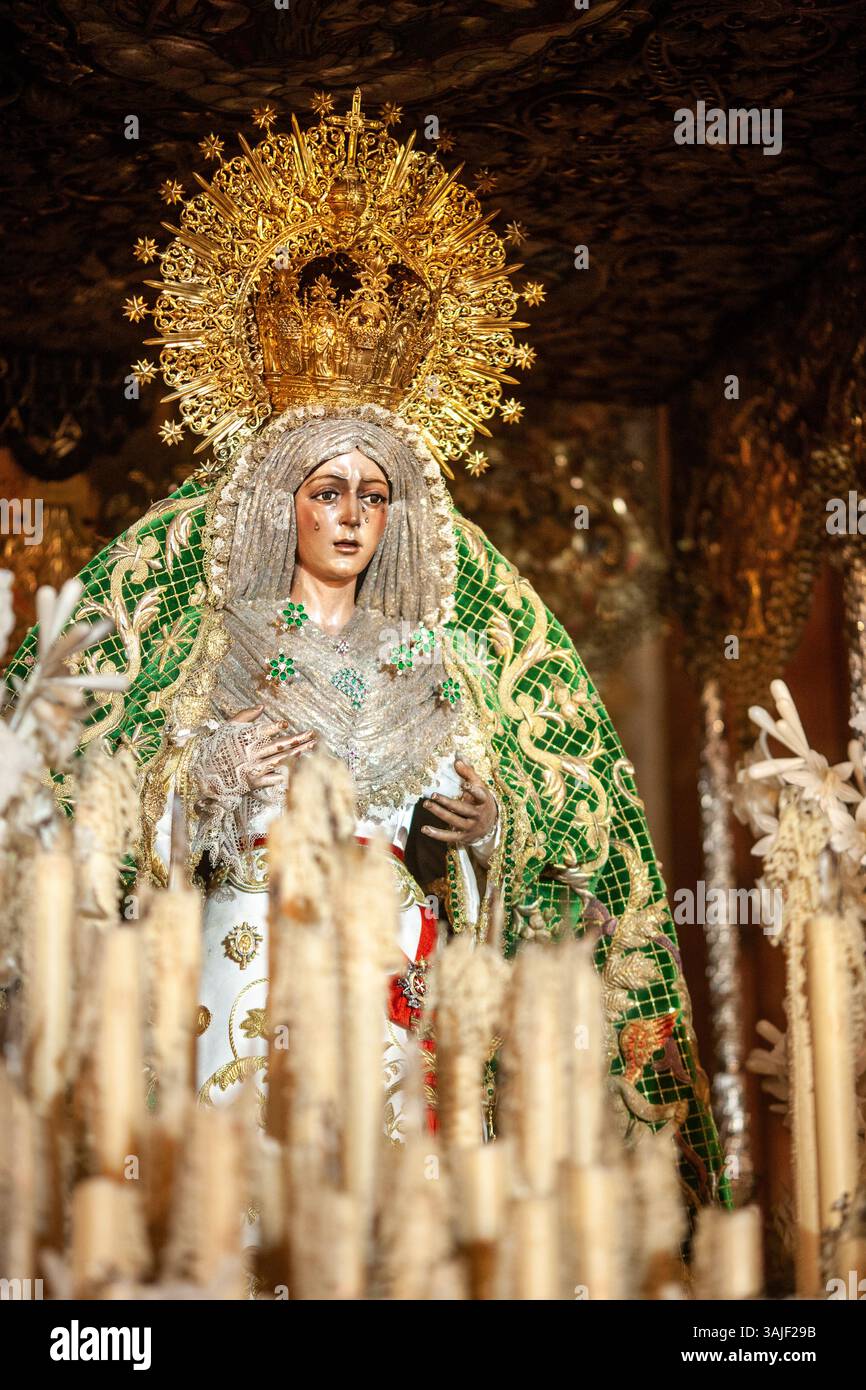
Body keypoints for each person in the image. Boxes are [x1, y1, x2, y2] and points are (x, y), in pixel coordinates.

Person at [4, 91, 731, 1207]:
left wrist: (487, 828)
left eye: (374, 495)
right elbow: (104, 816)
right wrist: (198, 783)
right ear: (281, 505)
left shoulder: (431, 654)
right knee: (242, 1204)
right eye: (327, 490)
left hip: (393, 952)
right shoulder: (206, 643)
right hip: (239, 954)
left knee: (390, 1211)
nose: (350, 515)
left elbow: (500, 827)